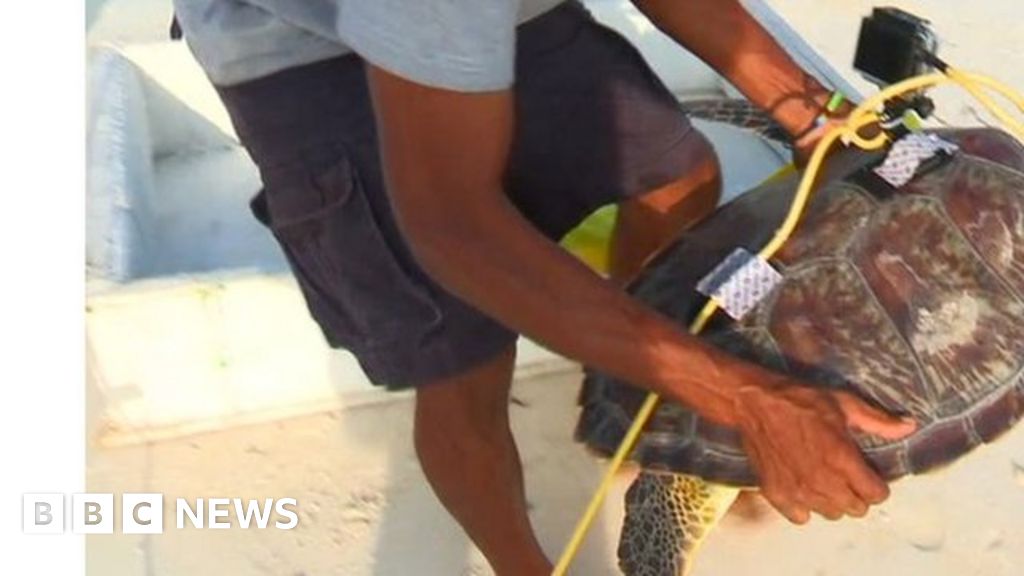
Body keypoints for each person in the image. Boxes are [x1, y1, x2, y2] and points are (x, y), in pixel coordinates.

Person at [172, 1, 916, 573]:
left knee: (675, 173)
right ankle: (522, 564)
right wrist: (745, 397)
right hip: (305, 53)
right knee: (460, 347)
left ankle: (640, 395)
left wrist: (816, 115)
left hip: (503, 14)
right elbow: (452, 225)